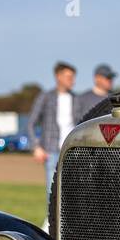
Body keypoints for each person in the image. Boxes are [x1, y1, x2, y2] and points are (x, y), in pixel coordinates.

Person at [26, 62, 77, 222]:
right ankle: (50, 228)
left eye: (73, 77)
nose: (72, 80)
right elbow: (31, 123)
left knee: (72, 194)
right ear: (58, 76)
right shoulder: (46, 97)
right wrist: (36, 147)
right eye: (69, 76)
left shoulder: (76, 99)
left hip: (71, 152)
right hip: (52, 152)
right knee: (53, 194)